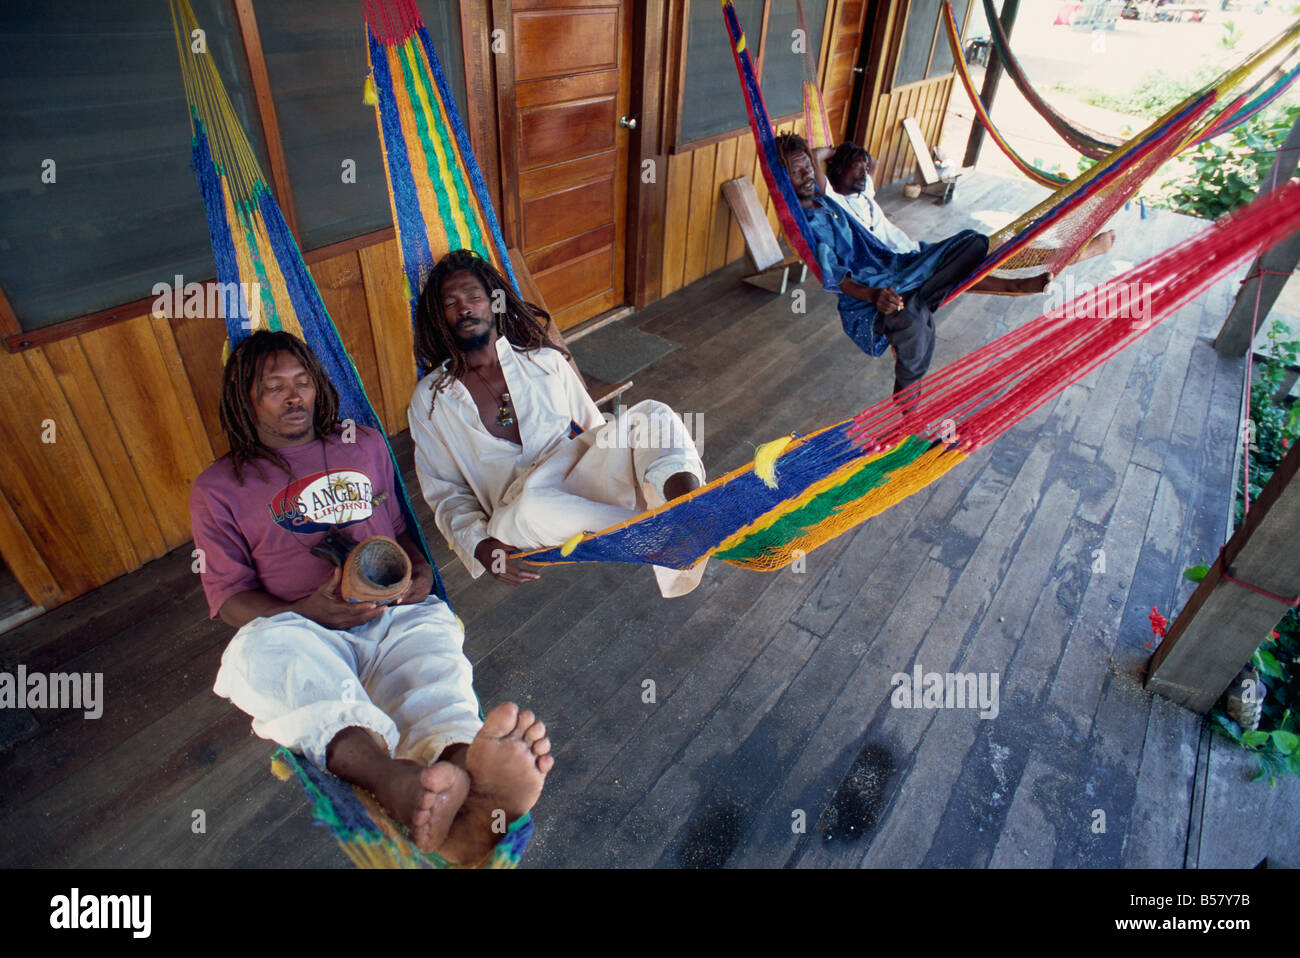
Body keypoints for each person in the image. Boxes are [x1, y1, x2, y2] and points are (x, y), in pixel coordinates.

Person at [191, 329, 551, 865]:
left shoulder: (361, 443)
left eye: (303, 382)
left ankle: (465, 771)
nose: (295, 397)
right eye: (274, 387)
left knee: (432, 666)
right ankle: (398, 782)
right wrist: (304, 612)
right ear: (245, 398)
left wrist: (422, 573)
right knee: (262, 656)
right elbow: (230, 598)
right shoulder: (220, 487)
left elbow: (402, 529)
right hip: (302, 626)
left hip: (393, 612)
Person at [408, 249, 707, 598]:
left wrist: (629, 459)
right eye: (451, 303)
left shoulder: (545, 362)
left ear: (495, 303)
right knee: (534, 503)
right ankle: (660, 536)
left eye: (474, 297)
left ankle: (694, 510)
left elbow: (597, 433)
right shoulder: (431, 402)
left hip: (576, 482)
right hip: (518, 512)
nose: (464, 308)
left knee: (652, 412)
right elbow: (447, 492)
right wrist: (482, 547)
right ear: (440, 318)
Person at [778, 133, 1044, 395]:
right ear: (781, 177)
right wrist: (875, 295)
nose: (807, 175)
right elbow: (836, 278)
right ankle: (906, 406)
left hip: (897, 267)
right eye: (797, 171)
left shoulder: (824, 199)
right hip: (872, 294)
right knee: (914, 324)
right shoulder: (809, 223)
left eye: (808, 168)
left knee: (972, 242)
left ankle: (944, 293)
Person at [819, 141, 1115, 271]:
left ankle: (1055, 259)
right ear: (836, 172)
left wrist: (850, 156)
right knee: (979, 250)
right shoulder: (837, 202)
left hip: (916, 251)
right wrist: (829, 153)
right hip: (898, 264)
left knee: (983, 251)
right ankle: (1066, 256)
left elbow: (874, 162)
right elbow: (815, 166)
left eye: (863, 168)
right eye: (854, 168)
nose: (863, 173)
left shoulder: (863, 192)